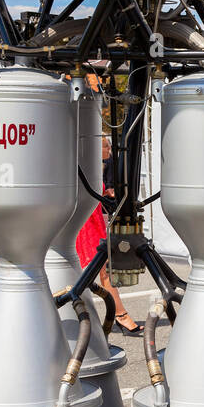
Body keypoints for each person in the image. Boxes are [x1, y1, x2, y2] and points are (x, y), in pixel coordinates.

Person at [74, 135, 142, 335]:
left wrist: (106, 194)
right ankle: (120, 315)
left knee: (97, 268)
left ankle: (114, 315)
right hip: (87, 222)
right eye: (105, 146)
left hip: (90, 219)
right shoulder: (88, 166)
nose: (109, 150)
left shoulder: (93, 166)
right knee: (102, 268)